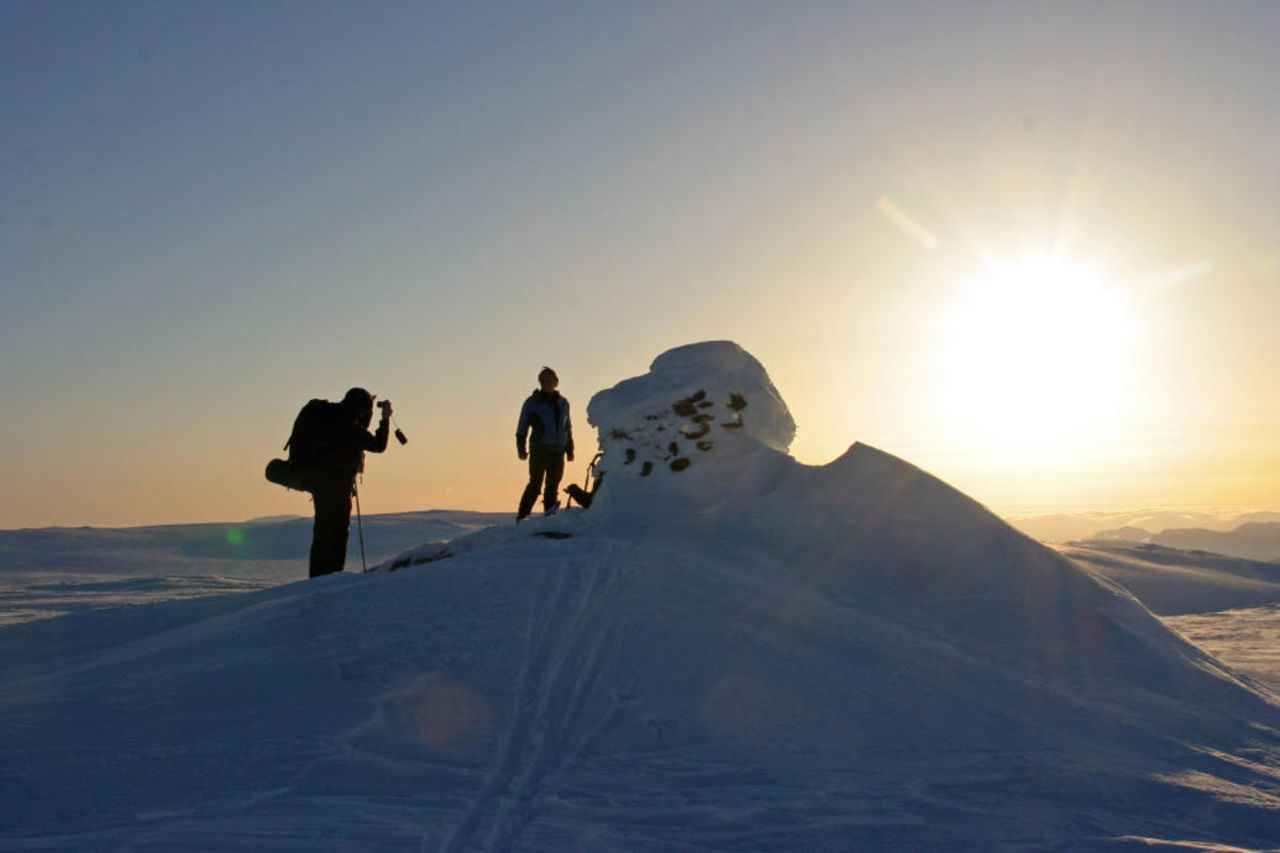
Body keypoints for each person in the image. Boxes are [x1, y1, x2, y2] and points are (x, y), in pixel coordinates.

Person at [308, 388, 391, 577]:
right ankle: (332, 577)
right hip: (339, 489)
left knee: (321, 534)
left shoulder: (330, 423)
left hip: (320, 485)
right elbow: (378, 445)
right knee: (337, 535)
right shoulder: (350, 429)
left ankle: (315, 579)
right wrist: (385, 419)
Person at [516, 366, 574, 521]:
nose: (547, 383)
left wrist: (570, 450)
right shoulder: (532, 403)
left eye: (550, 380)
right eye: (543, 381)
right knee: (535, 485)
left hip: (558, 452)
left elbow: (567, 427)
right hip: (539, 450)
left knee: (552, 487)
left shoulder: (563, 403)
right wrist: (521, 448)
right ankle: (522, 518)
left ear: (556, 382)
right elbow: (522, 426)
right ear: (540, 383)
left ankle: (549, 519)